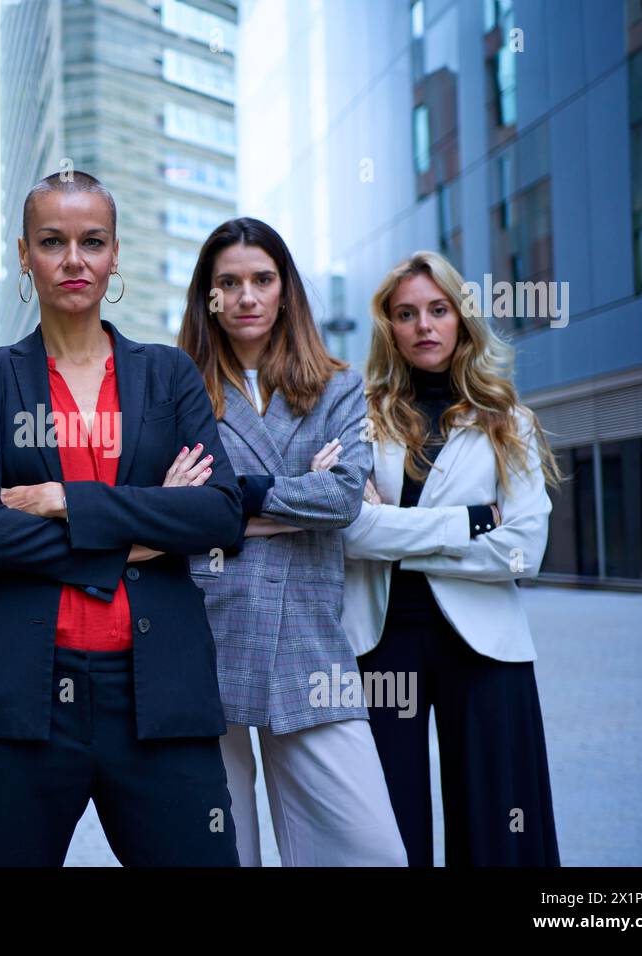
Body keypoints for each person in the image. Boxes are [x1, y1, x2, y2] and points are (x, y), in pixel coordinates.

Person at [0, 171, 243, 866]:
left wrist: (67, 500)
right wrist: (140, 535)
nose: (73, 259)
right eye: (52, 242)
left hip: (159, 693)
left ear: (114, 255)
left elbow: (219, 513)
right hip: (20, 697)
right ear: (25, 255)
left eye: (92, 241)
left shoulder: (169, 376)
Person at [176, 217, 407, 866]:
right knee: (223, 854)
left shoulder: (338, 385)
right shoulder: (177, 388)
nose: (246, 296)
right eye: (228, 282)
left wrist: (238, 495)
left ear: (285, 290)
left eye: (262, 279)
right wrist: (292, 492)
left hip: (307, 638)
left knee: (371, 851)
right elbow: (171, 511)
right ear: (208, 296)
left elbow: (339, 499)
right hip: (202, 631)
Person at [342, 250, 562, 866]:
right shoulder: (361, 419)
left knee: (501, 825)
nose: (424, 326)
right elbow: (352, 532)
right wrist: (470, 523)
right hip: (383, 644)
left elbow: (524, 548)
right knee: (388, 825)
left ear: (462, 318)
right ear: (390, 327)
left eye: (438, 310)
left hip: (486, 646)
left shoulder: (506, 420)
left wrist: (399, 536)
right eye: (406, 313)